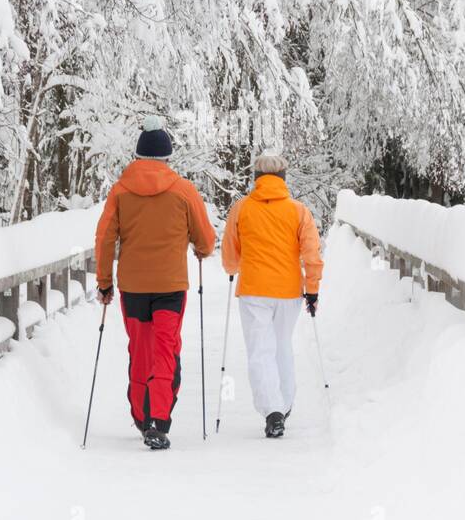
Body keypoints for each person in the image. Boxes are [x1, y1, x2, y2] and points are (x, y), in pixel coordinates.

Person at [94, 116, 216, 450]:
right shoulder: (183, 190)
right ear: (166, 156)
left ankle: (140, 414)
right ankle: (158, 420)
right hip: (170, 286)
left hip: (132, 287)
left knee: (140, 348)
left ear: (138, 155)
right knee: (166, 349)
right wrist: (202, 249)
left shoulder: (120, 191)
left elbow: (105, 239)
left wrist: (104, 283)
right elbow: (205, 238)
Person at [220, 154, 323, 438]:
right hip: (289, 290)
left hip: (254, 290)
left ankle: (273, 410)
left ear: (256, 179)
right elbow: (312, 254)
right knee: (281, 345)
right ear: (284, 178)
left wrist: (233, 268)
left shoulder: (241, 209)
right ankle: (284, 404)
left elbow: (229, 256)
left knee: (260, 350)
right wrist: (312, 290)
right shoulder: (299, 211)